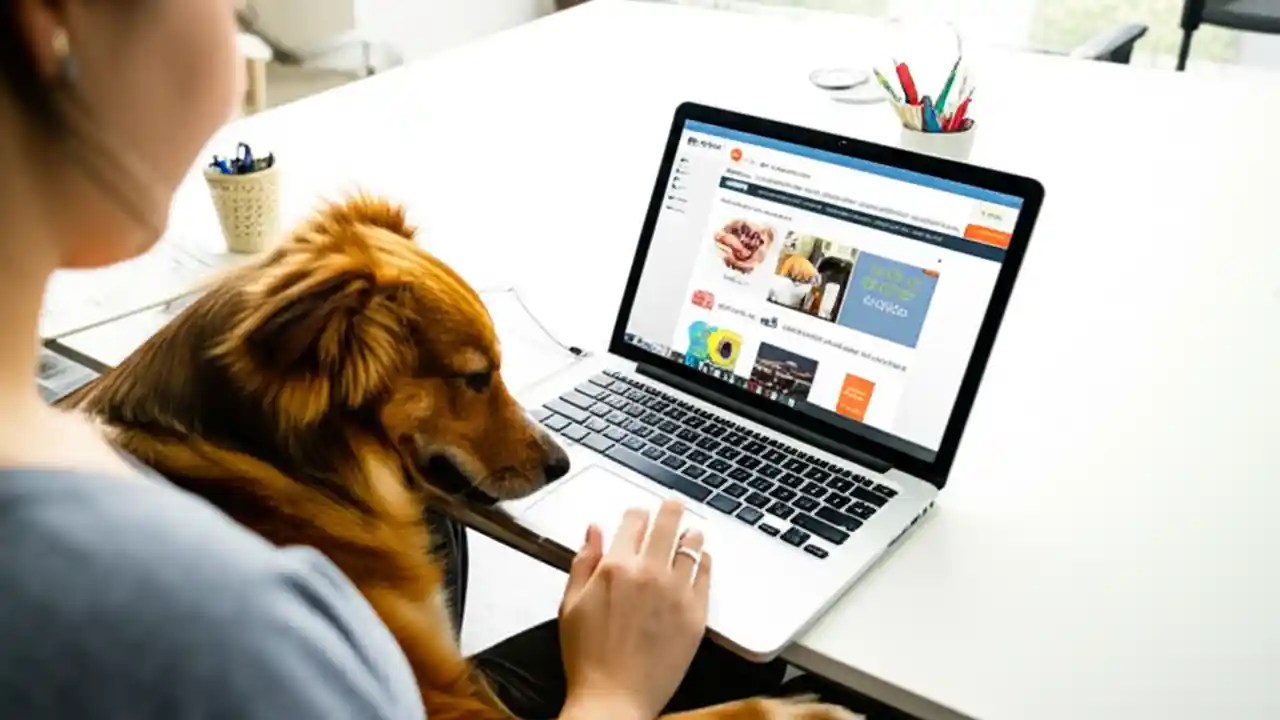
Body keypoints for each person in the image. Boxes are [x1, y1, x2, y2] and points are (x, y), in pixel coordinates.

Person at [0, 2, 822, 719]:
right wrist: (612, 696)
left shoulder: (53, 404)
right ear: (52, 26)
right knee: (767, 671)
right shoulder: (239, 641)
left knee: (437, 515)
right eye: (235, 7)